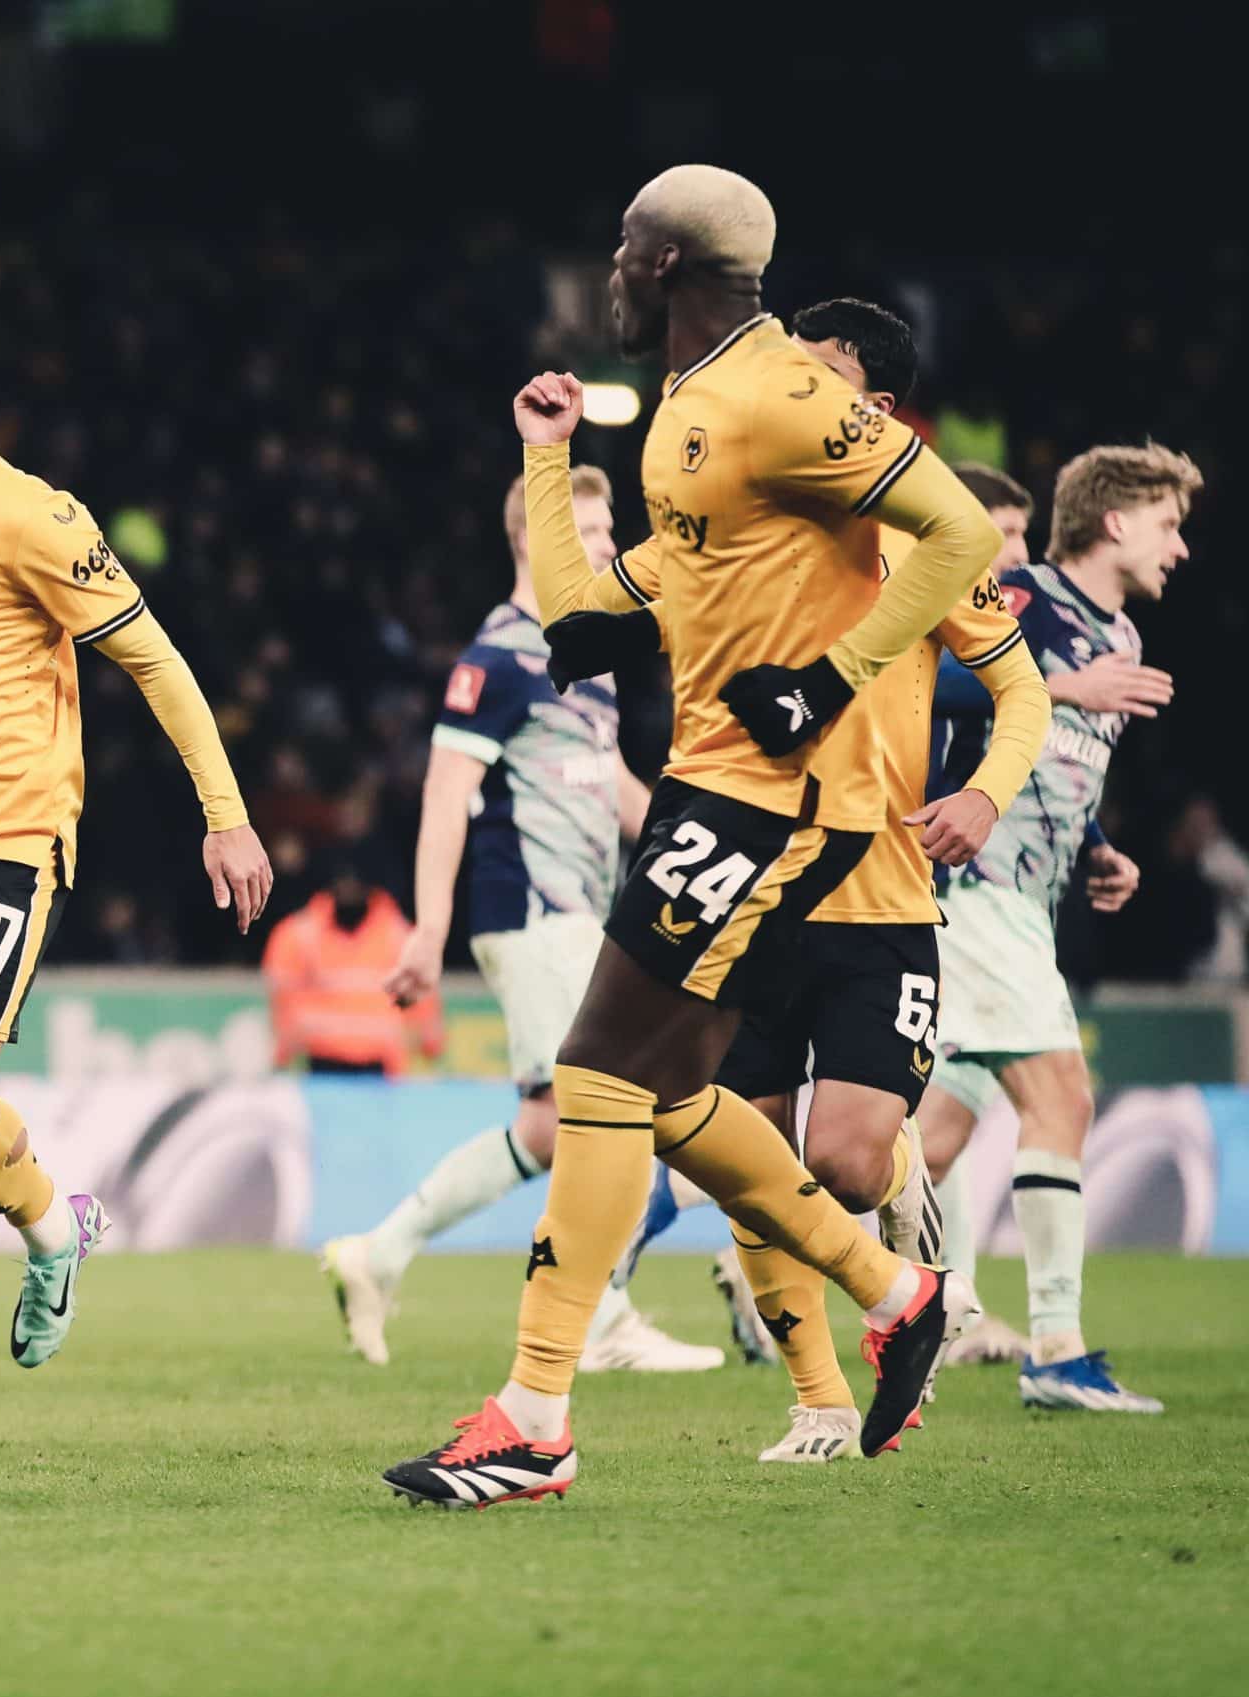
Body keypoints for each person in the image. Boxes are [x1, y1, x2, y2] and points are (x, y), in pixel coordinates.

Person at [384, 165, 1004, 1509]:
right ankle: (892, 1290)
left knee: (597, 1069)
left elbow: (955, 529)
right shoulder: (688, 416)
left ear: (665, 262)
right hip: (711, 789)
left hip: (772, 801)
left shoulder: (784, 397)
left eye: (622, 244)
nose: (607, 266)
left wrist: (836, 679)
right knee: (653, 1099)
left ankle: (537, 1417)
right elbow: (581, 630)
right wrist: (548, 463)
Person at [555, 299, 1053, 1462]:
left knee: (838, 1158)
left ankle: (902, 1246)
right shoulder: (737, 522)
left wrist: (983, 792)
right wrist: (549, 473)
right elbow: (583, 616)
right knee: (748, 1156)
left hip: (881, 893)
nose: (793, 397)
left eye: (819, 380)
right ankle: (821, 1398)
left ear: (871, 410)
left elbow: (1020, 690)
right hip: (758, 882)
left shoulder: (922, 540)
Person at [0, 281, 271, 1463]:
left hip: (8, 838)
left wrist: (225, 816)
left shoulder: (31, 516)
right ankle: (55, 1223)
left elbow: (157, 661)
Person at [326, 466, 720, 1375]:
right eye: (584, 535)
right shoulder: (497, 658)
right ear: (532, 541)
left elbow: (617, 787)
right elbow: (444, 797)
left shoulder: (588, 656)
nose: (605, 550)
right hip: (535, 914)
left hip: (585, 916)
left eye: (606, 534)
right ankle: (602, 1316)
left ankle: (379, 1253)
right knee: (614, 1109)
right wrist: (426, 932)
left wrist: (710, 835)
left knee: (558, 1125)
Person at [915, 441, 1201, 1413]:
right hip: (973, 881)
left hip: (1023, 897)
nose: (1182, 547)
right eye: (1168, 524)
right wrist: (1058, 688)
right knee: (1063, 1102)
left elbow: (1051, 763)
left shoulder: (1114, 635)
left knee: (925, 1142)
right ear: (1114, 521)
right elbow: (918, 682)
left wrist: (1092, 849)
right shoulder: (1021, 597)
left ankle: (784, 1240)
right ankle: (1055, 1350)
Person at [263, 856, 442, 1078]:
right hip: (320, 1066)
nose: (349, 888)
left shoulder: (401, 938)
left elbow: (425, 1016)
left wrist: (428, 1041)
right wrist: (283, 1052)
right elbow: (283, 1005)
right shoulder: (298, 935)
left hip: (383, 1073)